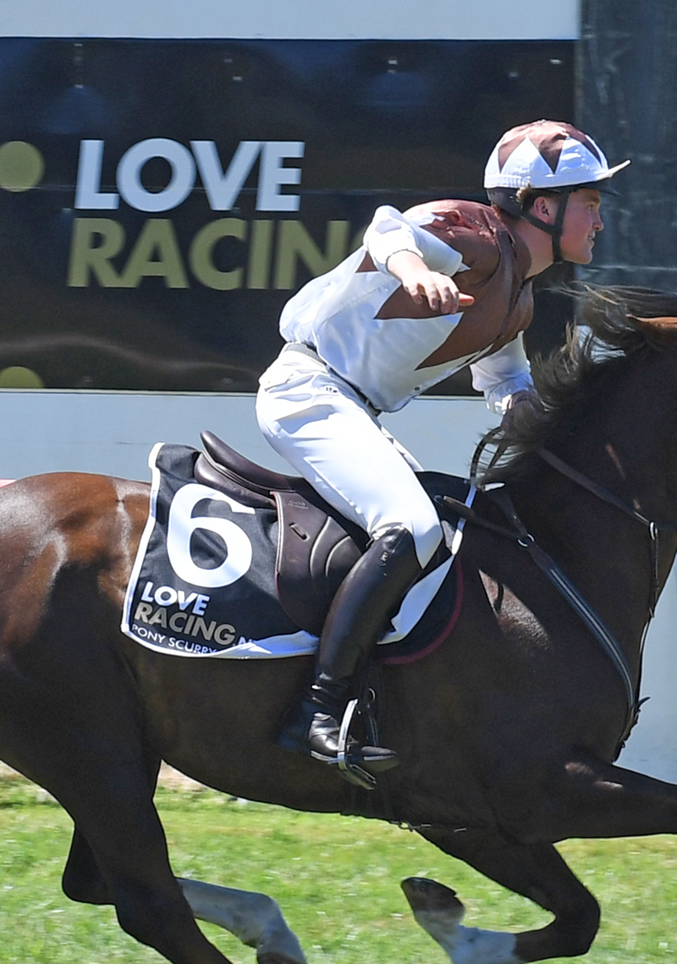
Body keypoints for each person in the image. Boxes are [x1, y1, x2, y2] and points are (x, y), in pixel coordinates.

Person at [257, 120, 627, 783]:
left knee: (451, 530)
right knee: (415, 526)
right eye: (590, 201)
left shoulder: (517, 292)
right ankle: (315, 712)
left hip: (347, 405)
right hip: (307, 393)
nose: (599, 218)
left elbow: (505, 378)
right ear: (543, 206)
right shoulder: (476, 233)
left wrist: (539, 420)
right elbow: (387, 228)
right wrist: (409, 271)